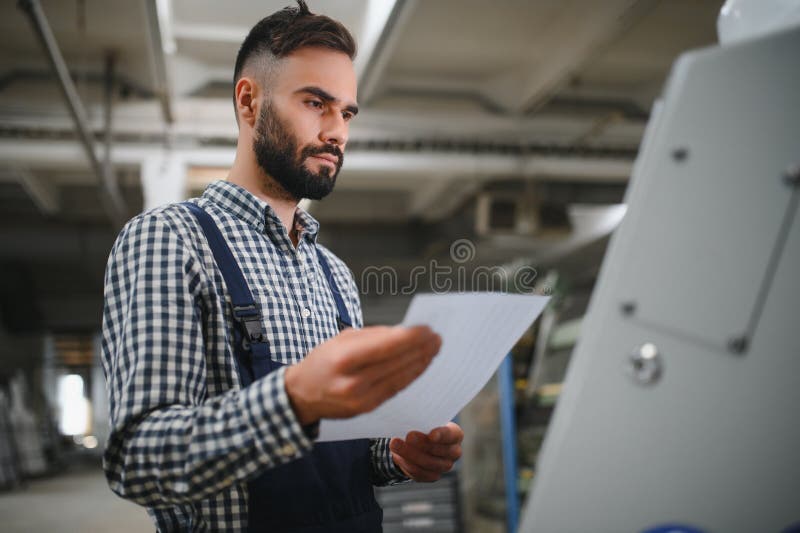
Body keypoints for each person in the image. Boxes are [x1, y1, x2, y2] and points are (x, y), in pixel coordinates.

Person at [100, 1, 463, 531]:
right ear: (249, 101)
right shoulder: (171, 240)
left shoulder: (334, 274)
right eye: (316, 103)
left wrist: (396, 454)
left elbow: (342, 449)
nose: (337, 131)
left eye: (347, 113)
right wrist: (290, 401)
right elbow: (139, 459)